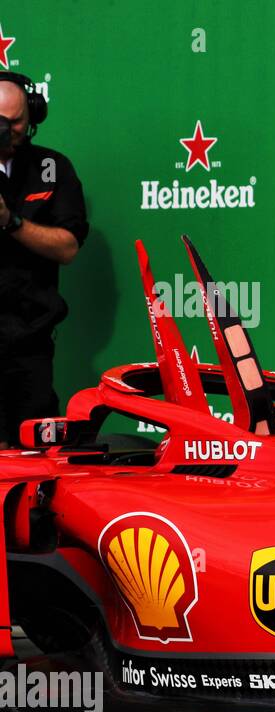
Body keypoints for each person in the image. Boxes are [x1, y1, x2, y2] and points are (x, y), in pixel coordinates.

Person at [0, 72, 87, 449]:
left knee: (33, 454)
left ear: (33, 116)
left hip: (28, 341)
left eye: (16, 121)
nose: (7, 130)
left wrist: (11, 222)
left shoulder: (52, 168)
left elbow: (68, 247)